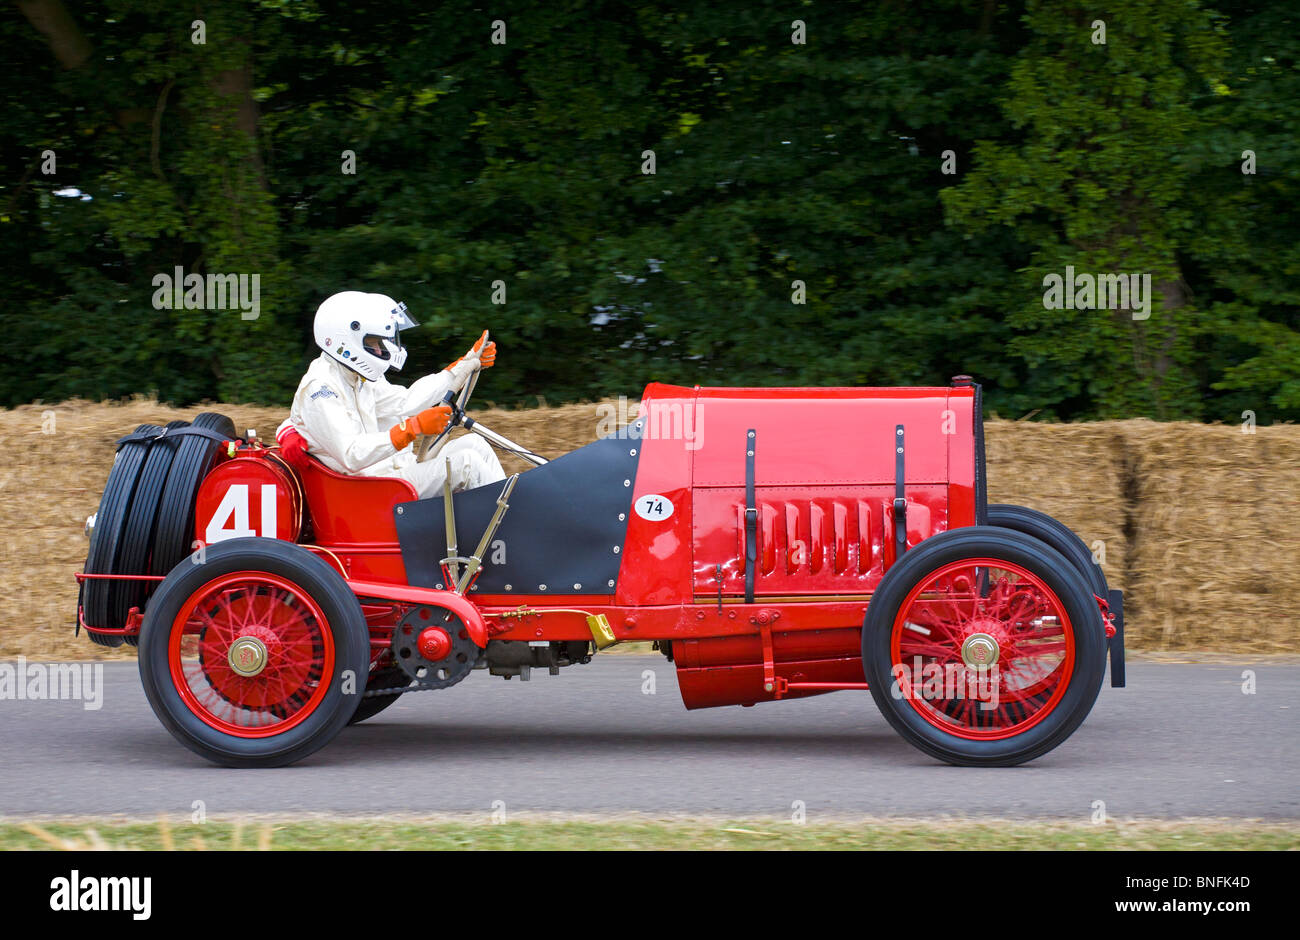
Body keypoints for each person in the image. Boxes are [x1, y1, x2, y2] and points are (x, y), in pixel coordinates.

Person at [275, 291, 505, 497]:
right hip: (368, 491)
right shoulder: (320, 388)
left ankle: (511, 515)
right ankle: (513, 530)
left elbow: (407, 402)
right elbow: (351, 454)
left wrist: (462, 366)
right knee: (467, 463)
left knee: (475, 444)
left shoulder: (357, 377)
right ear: (347, 340)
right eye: (375, 343)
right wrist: (412, 428)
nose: (382, 349)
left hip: (387, 474)